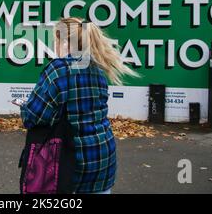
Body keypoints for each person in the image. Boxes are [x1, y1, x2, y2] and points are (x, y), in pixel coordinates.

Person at [19, 17, 139, 194]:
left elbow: (33, 117)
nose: (54, 45)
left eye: (56, 40)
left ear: (65, 42)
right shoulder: (97, 69)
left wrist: (24, 106)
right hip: (103, 162)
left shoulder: (58, 69)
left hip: (68, 165)